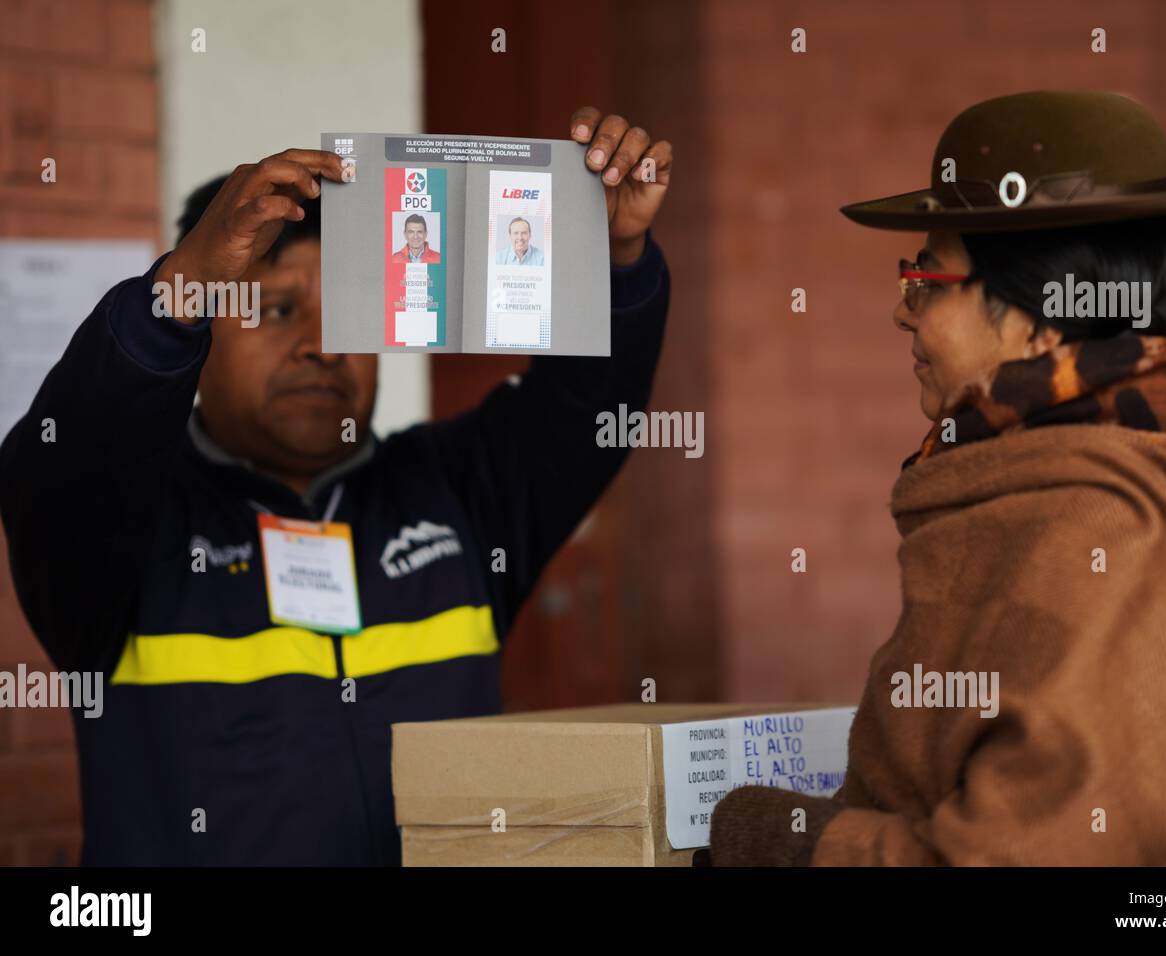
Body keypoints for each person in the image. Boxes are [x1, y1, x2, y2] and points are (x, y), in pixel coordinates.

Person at [0, 107, 674, 866]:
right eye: (280, 310)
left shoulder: (458, 492)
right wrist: (181, 286)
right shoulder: (128, 525)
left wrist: (613, 255)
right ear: (205, 330)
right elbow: (65, 462)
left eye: (347, 320)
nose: (322, 347)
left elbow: (588, 407)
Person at [709, 90, 1166, 866]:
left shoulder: (1095, 529)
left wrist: (771, 837)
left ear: (1038, 325)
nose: (904, 309)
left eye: (928, 277)